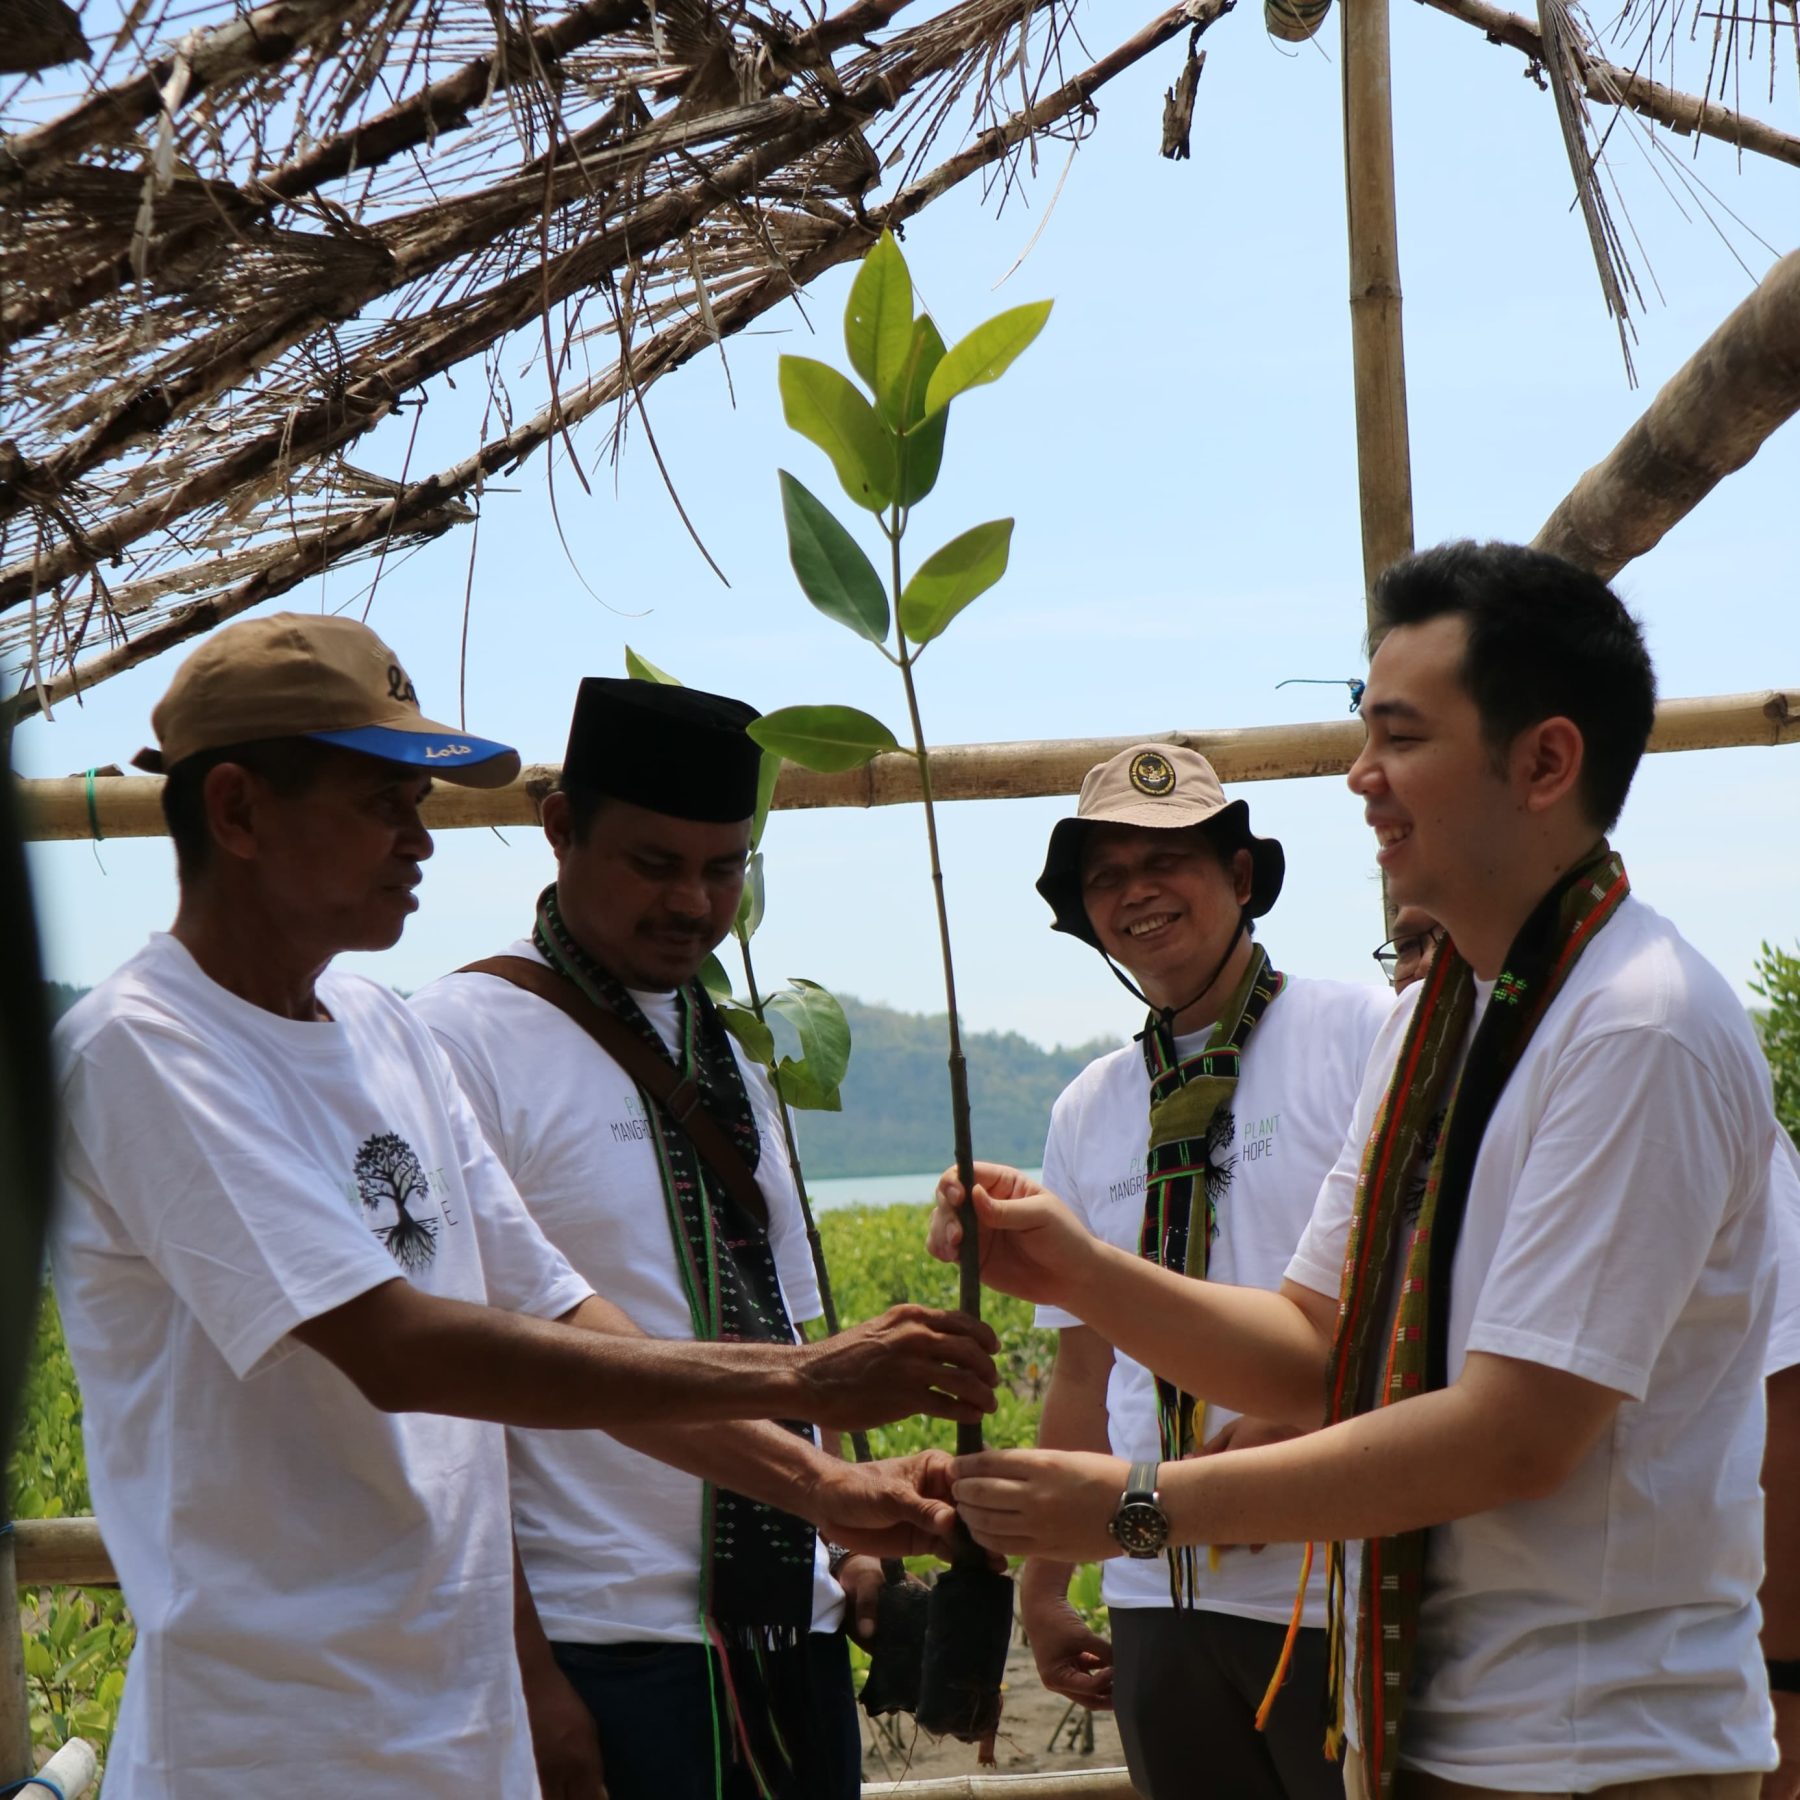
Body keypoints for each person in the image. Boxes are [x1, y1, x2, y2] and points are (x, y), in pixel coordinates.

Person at [51, 617, 996, 1800]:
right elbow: (396, 1350)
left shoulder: (384, 1032)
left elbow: (558, 1311)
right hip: (281, 1744)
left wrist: (829, 1493)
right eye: (383, 804)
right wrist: (800, 1382)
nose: (421, 841)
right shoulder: (143, 1051)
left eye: (422, 803)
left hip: (458, 1729)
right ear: (237, 812)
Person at [931, 541, 1783, 1799]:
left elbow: (1513, 1439)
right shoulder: (1447, 1015)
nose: (1360, 780)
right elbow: (1316, 1343)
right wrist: (1080, 1268)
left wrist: (1136, 1507)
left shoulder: (1633, 1027)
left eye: (1400, 738)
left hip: (1596, 1748)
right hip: (1439, 1724)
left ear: (1545, 762)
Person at [411, 676, 916, 1800]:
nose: (693, 902)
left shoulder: (731, 1057)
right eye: (654, 864)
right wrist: (523, 1672)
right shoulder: (454, 1041)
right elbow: (449, 1396)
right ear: (559, 830)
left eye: (723, 868)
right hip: (601, 1640)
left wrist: (850, 1544)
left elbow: (793, 1325)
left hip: (796, 1628)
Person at [1020, 743, 1390, 1800]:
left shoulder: (1359, 1033)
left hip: (1329, 1577)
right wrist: (1047, 1585)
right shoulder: (1090, 1107)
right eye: (1106, 877)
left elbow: (1427, 1299)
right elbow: (1085, 1369)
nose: (1137, 891)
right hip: (1155, 1595)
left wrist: (1308, 1420)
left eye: (1168, 858)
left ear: (1239, 876)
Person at [1380, 905, 1800, 1800]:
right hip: (1445, 1714)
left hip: (1612, 1731)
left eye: (1434, 941)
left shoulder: (1645, 1040)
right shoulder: (1428, 1055)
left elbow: (1784, 1397)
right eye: (1407, 947)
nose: (1419, 970)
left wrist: (1790, 1680)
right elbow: (1340, 1346)